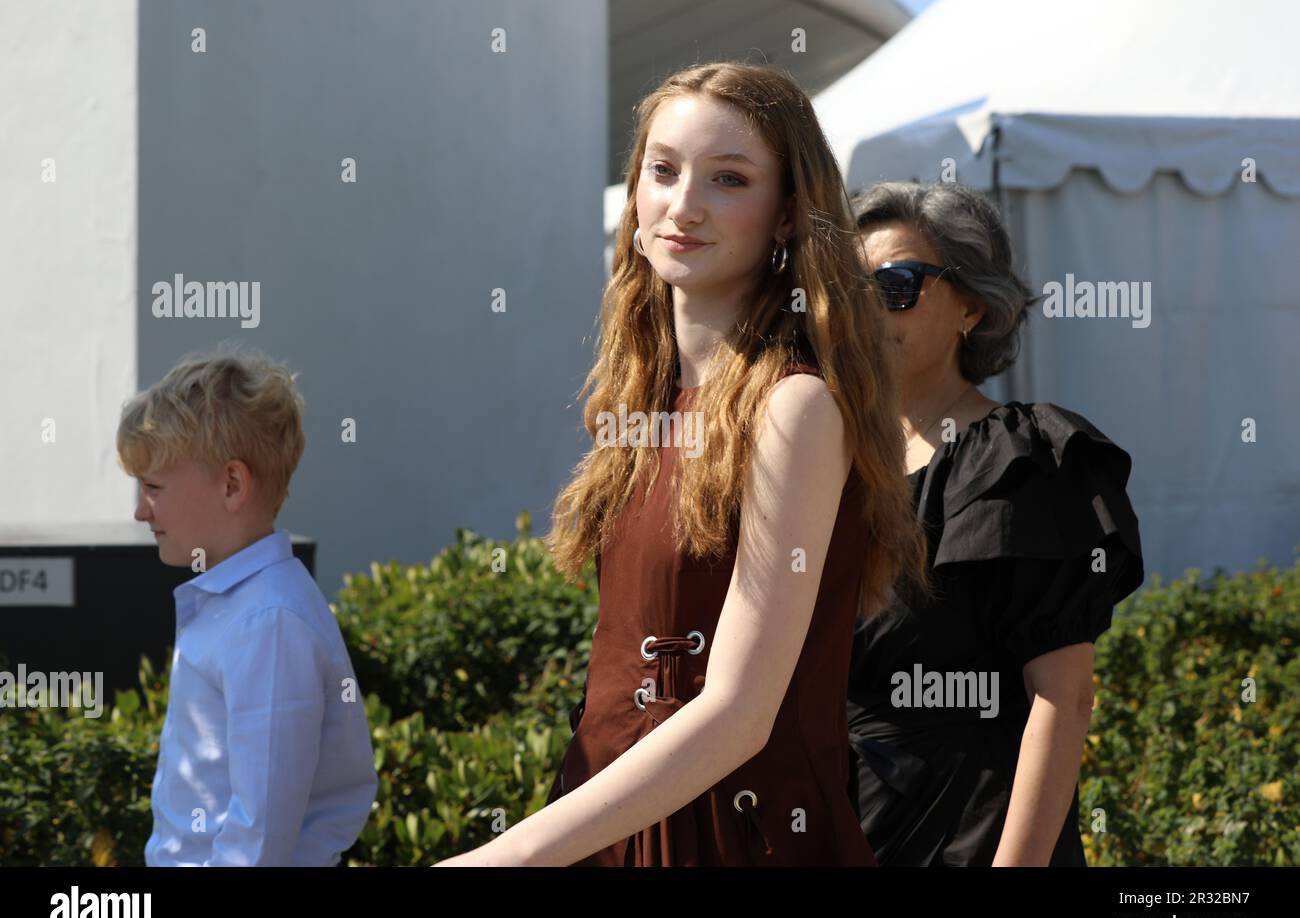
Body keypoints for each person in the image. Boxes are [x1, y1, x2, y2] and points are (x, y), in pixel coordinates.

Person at [434, 61, 928, 866]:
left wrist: (501, 858)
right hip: (615, 815)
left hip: (738, 832)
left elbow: (738, 712)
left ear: (786, 216)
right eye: (662, 170)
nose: (683, 204)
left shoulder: (793, 406)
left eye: (728, 179)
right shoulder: (645, 399)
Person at [848, 181, 1144, 865]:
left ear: (972, 307)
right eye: (847, 287)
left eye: (895, 284)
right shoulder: (827, 462)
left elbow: (1062, 701)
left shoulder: (1019, 461)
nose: (865, 309)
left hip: (972, 836)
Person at [116, 344, 377, 865]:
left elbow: (261, 834)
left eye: (153, 487)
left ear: (232, 484)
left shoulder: (268, 622)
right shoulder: (239, 605)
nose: (141, 510)